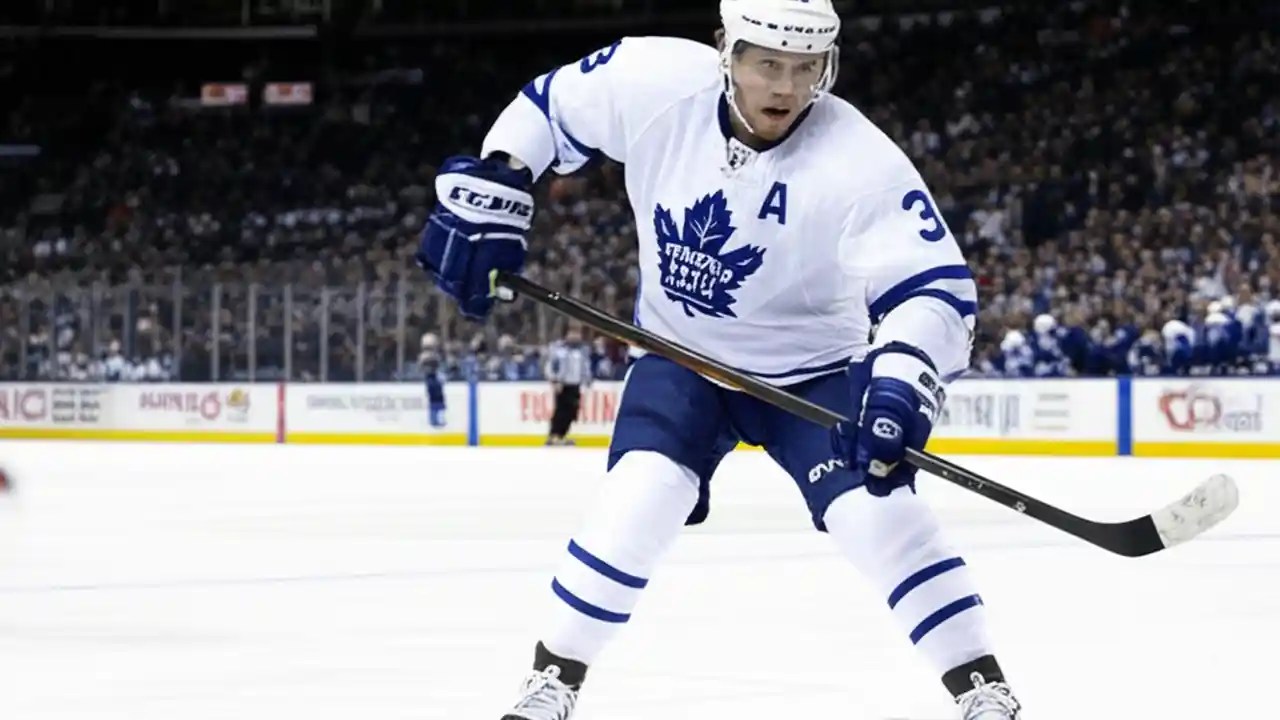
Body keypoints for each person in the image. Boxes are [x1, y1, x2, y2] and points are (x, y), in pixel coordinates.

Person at [414, 1, 1020, 717]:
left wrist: (900, 383)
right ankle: (553, 682)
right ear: (724, 51)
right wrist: (504, 175)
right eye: (767, 63)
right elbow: (548, 108)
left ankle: (983, 688)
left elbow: (933, 289)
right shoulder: (655, 80)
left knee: (879, 514)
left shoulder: (863, 161)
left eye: (806, 68)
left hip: (814, 371)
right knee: (639, 497)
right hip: (683, 357)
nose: (786, 88)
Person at [544, 325, 593, 446]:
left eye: (577, 334)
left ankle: (562, 435)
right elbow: (551, 365)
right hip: (562, 384)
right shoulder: (558, 348)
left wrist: (587, 379)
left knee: (572, 412)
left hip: (575, 384)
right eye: (572, 333)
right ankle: (554, 434)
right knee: (561, 410)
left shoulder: (583, 350)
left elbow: (585, 366)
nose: (575, 336)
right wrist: (554, 380)